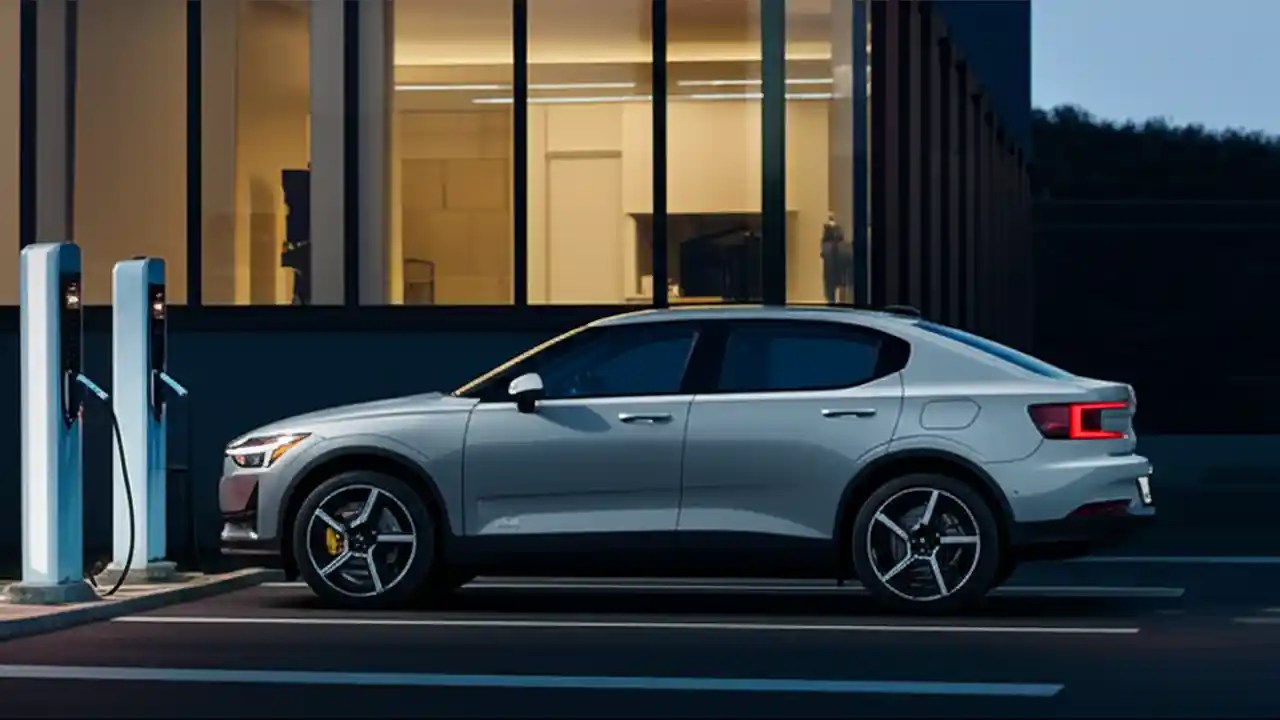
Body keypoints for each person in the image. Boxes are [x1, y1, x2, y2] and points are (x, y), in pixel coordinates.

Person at [820, 212, 846, 304]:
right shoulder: (838, 245)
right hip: (837, 270)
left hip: (833, 270)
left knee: (831, 290)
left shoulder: (827, 246)